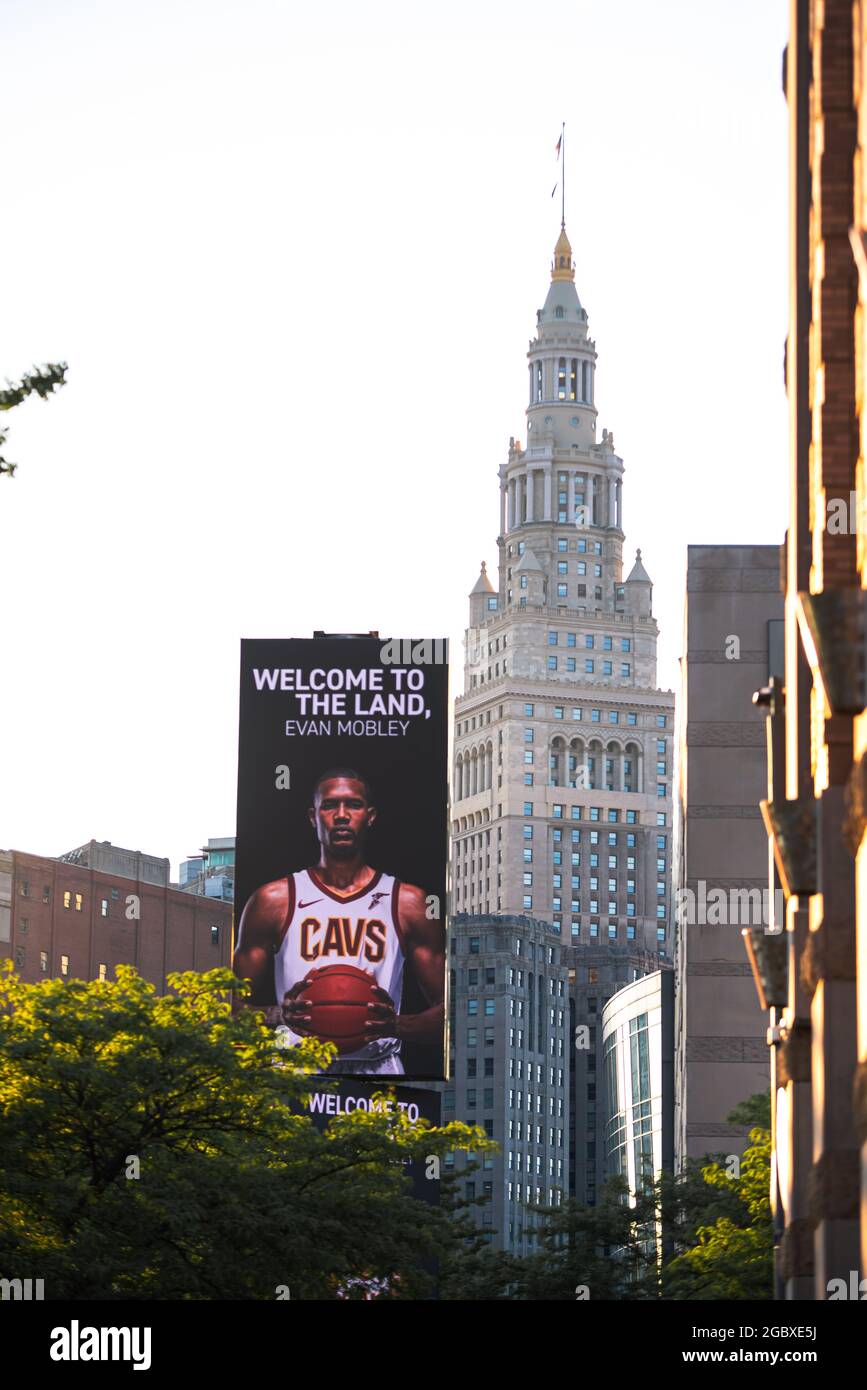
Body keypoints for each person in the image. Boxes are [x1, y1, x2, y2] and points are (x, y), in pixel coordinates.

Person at [233, 768, 445, 1074]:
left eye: (354, 805)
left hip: (377, 1070)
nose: (342, 815)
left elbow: (449, 1016)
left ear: (370, 816)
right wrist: (278, 1015)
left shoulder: (407, 902)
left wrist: (397, 1024)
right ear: (313, 816)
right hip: (296, 1068)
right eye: (330, 805)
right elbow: (228, 1005)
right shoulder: (274, 899)